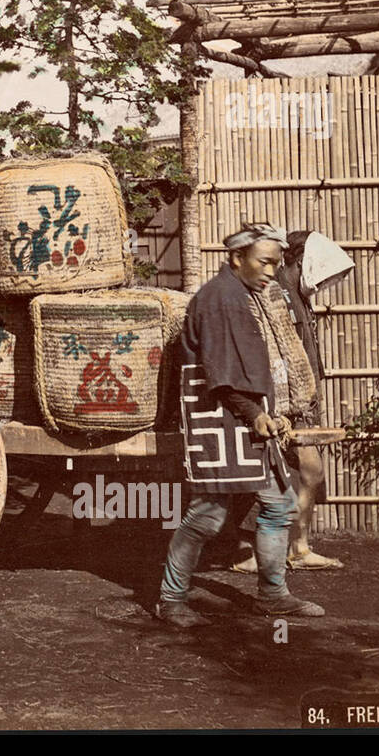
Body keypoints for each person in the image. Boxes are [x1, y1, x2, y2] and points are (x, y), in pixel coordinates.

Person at [156, 223, 325, 628]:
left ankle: (273, 595)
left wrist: (265, 413)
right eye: (263, 262)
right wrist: (256, 414)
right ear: (236, 258)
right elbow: (220, 375)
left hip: (249, 420)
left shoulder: (246, 297)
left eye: (275, 264)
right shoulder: (219, 300)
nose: (270, 271)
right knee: (207, 515)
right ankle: (170, 599)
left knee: (280, 505)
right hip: (221, 419)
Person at [230, 230, 354, 573]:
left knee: (307, 473)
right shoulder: (275, 294)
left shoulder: (298, 295)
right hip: (282, 403)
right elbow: (272, 351)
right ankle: (263, 551)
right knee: (286, 475)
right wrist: (279, 405)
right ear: (301, 262)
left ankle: (297, 547)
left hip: (302, 401)